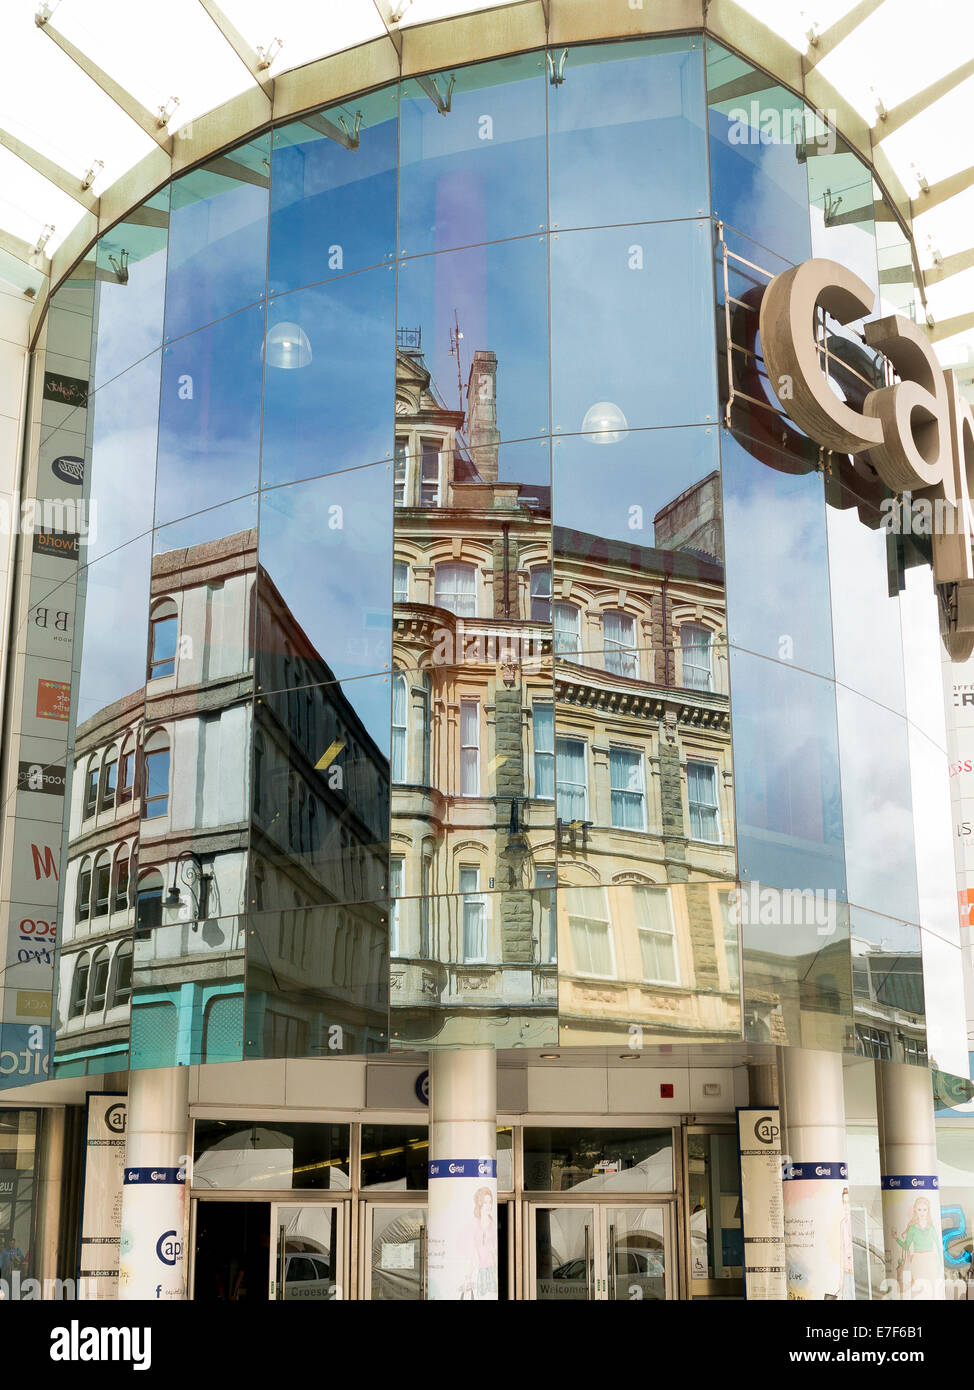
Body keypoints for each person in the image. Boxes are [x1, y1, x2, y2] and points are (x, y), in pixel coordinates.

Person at [894, 1195, 940, 1294]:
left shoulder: (931, 1227)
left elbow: (938, 1246)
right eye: (919, 1209)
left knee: (932, 1289)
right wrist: (896, 1238)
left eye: (925, 1209)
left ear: (928, 1210)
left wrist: (939, 1265)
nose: (922, 1212)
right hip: (918, 1260)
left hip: (930, 1259)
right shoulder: (913, 1229)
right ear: (915, 1210)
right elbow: (906, 1246)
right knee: (918, 1287)